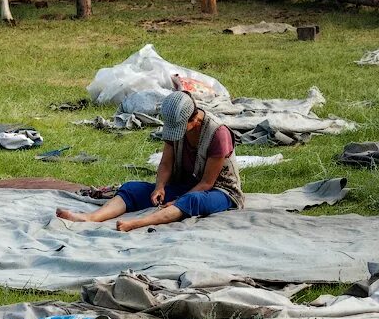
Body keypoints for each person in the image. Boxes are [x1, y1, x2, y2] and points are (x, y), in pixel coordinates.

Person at [56, 91, 243, 232]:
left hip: (219, 191)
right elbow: (166, 164)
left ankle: (137, 223)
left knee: (192, 200)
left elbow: (207, 183)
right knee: (132, 189)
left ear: (194, 120)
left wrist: (178, 200)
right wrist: (160, 187)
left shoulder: (218, 134)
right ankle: (91, 218)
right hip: (185, 184)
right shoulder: (175, 128)